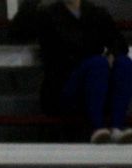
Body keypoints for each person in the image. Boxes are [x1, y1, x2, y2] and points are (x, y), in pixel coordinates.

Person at [8, 0, 131, 143]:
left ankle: (117, 127)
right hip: (63, 85)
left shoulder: (96, 13)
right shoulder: (45, 13)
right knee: (97, 64)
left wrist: (112, 54)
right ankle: (97, 127)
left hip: (95, 79)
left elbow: (119, 43)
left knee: (123, 63)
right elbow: (17, 31)